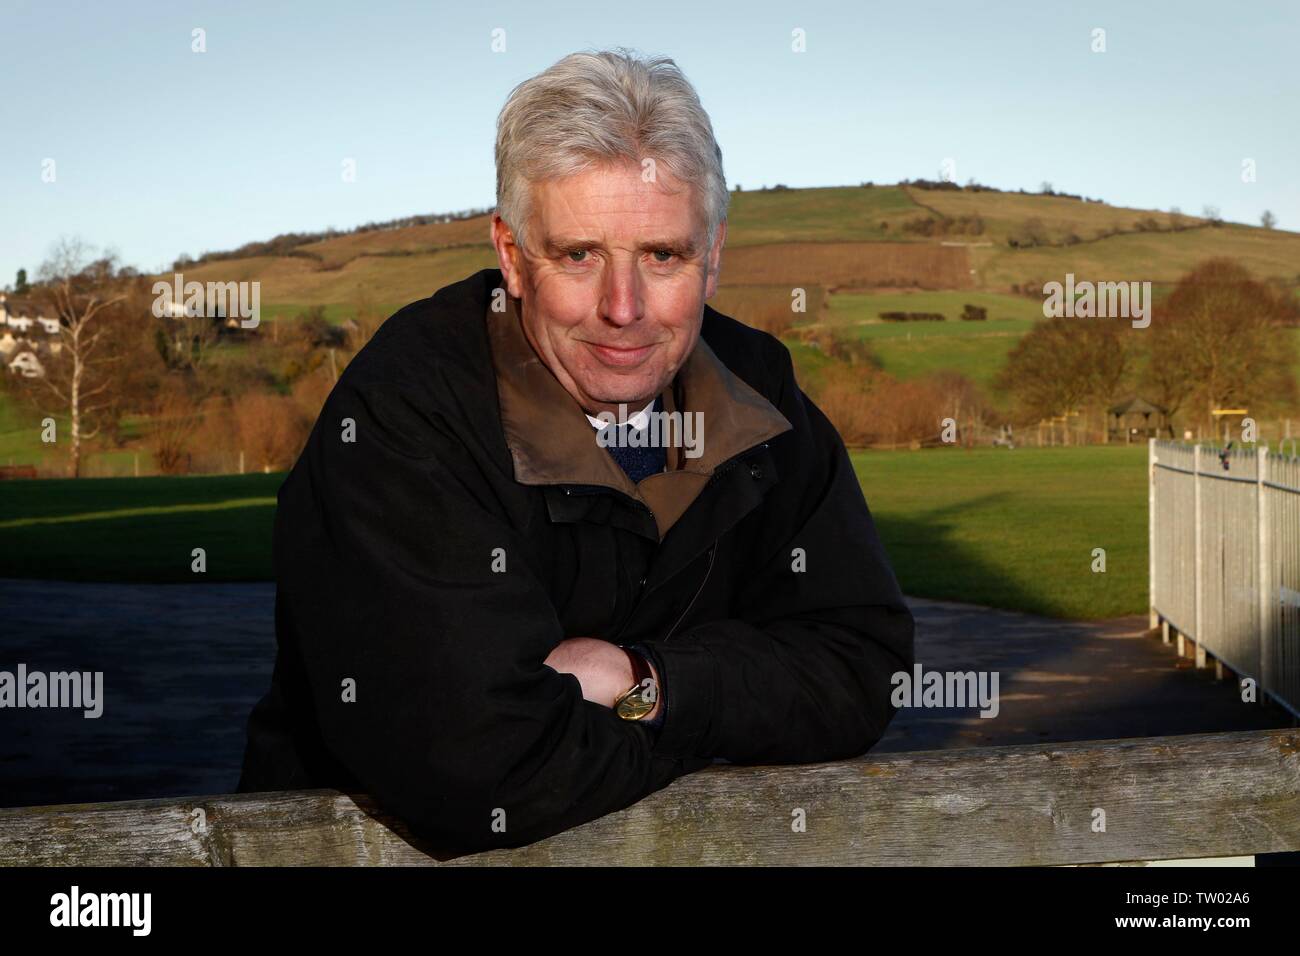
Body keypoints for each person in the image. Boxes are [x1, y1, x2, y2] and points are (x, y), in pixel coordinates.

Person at [237, 47, 914, 853]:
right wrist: (733, 701)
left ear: (714, 254)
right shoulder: (404, 411)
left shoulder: (758, 391)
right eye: (578, 255)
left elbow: (861, 671)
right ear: (511, 256)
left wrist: (643, 682)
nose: (622, 309)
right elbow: (474, 760)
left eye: (663, 256)